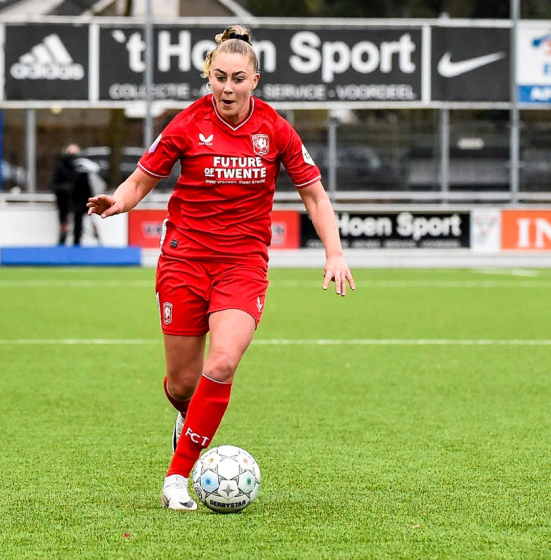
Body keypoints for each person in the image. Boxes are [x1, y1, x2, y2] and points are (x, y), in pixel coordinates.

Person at [87, 24, 355, 510]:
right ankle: (188, 417)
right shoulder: (186, 124)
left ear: (255, 80)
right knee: (183, 385)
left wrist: (334, 252)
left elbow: (315, 196)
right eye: (219, 77)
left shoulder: (276, 129)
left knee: (224, 362)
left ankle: (176, 478)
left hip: (242, 265)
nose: (227, 88)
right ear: (208, 76)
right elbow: (141, 180)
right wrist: (119, 201)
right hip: (184, 261)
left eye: (237, 78)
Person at [51, 143, 93, 245]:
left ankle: (77, 241)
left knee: (78, 223)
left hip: (78, 201)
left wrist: (89, 200)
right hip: (64, 200)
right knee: (64, 221)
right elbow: (54, 184)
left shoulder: (82, 168)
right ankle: (62, 240)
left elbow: (87, 187)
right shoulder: (61, 167)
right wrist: (64, 189)